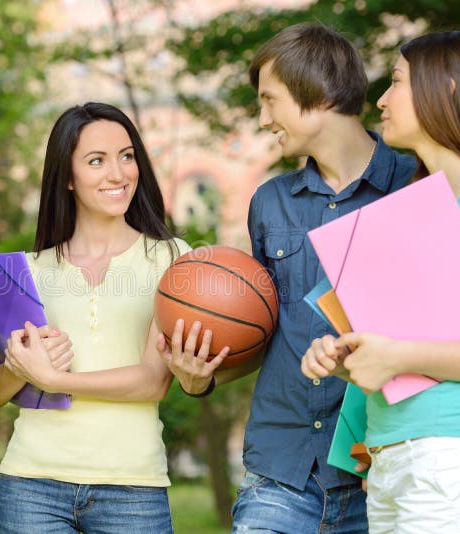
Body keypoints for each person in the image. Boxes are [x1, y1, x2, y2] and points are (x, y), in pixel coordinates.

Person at [160, 22, 416, 533]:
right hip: (280, 473)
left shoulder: (412, 186)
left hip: (381, 472)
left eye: (269, 100)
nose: (261, 119)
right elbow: (260, 333)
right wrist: (201, 377)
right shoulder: (269, 202)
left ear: (317, 91)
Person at [302, 30, 460, 533]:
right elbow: (409, 351)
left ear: (447, 87)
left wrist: (399, 355)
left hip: (451, 465)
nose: (381, 100)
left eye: (396, 82)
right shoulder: (418, 209)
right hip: (391, 466)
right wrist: (351, 357)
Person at [0, 102, 214, 534]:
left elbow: (153, 381)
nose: (118, 174)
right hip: (31, 487)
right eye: (96, 161)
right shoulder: (24, 271)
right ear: (67, 176)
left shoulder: (174, 259)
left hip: (132, 489)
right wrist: (16, 368)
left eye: (126, 156)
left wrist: (55, 379)